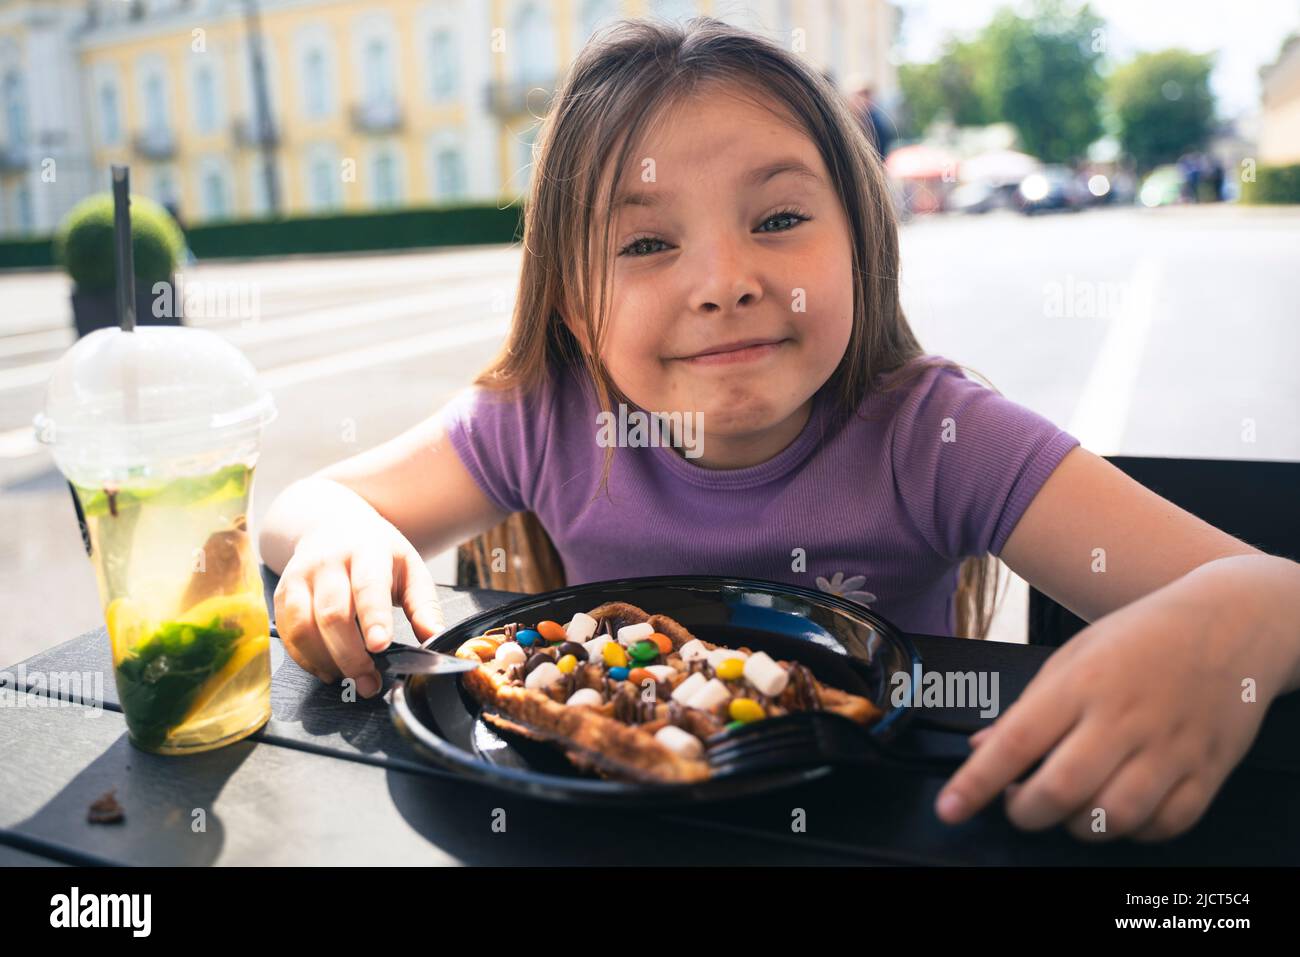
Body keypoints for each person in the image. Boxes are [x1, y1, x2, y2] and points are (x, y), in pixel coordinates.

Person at [259, 18, 1300, 844]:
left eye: (778, 220)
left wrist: (1231, 623)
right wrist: (342, 536)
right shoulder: (545, 421)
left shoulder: (934, 434)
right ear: (573, 305)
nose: (725, 284)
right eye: (649, 241)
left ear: (863, 247)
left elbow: (1275, 594)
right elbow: (307, 506)